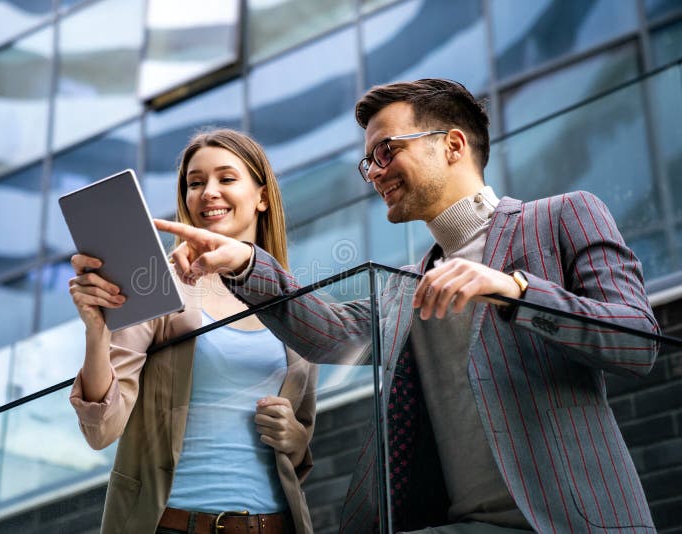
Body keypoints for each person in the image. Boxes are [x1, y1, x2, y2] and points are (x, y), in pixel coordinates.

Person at [155, 79, 660, 534]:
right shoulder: (405, 287)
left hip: (574, 521)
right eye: (368, 161)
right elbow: (326, 332)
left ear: (453, 145)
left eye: (386, 150)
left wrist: (515, 290)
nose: (374, 173)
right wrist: (246, 261)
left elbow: (639, 342)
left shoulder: (563, 217)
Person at [67, 128, 318, 534]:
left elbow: (301, 439)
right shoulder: (157, 283)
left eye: (227, 178)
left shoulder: (292, 300)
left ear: (262, 197)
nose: (208, 192)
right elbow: (102, 428)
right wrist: (97, 332)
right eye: (195, 183)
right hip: (172, 525)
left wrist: (295, 437)